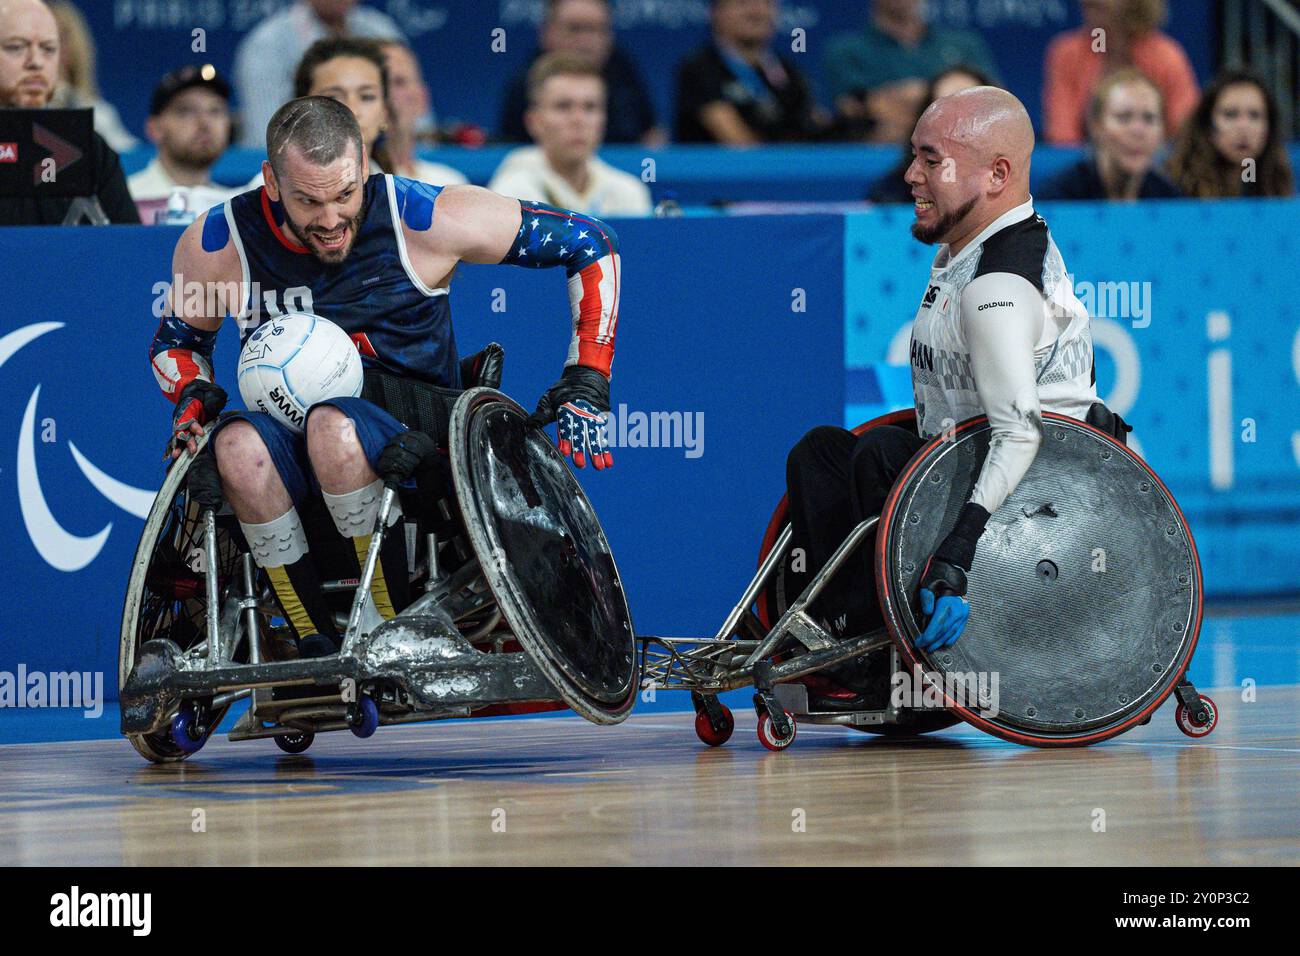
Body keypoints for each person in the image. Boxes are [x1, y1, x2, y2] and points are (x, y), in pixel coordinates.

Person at [151, 96, 622, 657]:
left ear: (364, 165)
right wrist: (190, 395)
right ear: (271, 181)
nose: (330, 220)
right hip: (288, 435)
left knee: (333, 427)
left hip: (416, 433)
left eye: (344, 195)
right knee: (235, 445)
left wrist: (588, 377)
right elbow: (177, 344)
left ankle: (382, 625)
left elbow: (590, 242)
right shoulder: (220, 242)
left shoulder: (421, 217)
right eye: (308, 201)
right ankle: (311, 638)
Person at [785, 87, 1101, 709]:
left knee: (880, 456)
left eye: (931, 160)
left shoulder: (998, 288)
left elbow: (1021, 434)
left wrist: (957, 552)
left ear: (997, 175)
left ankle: (878, 660)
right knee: (820, 452)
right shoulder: (965, 248)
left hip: (1041, 498)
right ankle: (839, 633)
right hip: (964, 459)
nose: (910, 175)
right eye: (914, 156)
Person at [0, 0, 137, 225]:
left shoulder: (88, 147)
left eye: (48, 49)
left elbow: (129, 241)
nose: (36, 62)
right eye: (16, 47)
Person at [489, 53, 651, 217]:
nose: (578, 120)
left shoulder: (629, 193)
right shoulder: (509, 195)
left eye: (590, 107)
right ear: (534, 121)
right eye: (563, 106)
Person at [232, 0, 404, 148]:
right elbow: (265, 138)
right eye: (333, 98)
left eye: (366, 96)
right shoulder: (268, 43)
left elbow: (413, 121)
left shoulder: (379, 29)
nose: (352, 110)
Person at [823, 0, 999, 143]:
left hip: (961, 158)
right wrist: (944, 96)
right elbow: (855, 112)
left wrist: (902, 100)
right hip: (878, 160)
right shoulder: (846, 51)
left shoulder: (965, 45)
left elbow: (995, 105)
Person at [498, 0, 662, 146]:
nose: (585, 40)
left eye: (596, 29)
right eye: (575, 29)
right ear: (547, 32)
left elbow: (650, 136)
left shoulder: (625, 73)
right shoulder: (525, 82)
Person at [1043, 0, 1198, 146]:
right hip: (1083, 161)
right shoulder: (1067, 53)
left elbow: (1187, 132)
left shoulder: (1166, 56)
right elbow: (1062, 136)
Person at [674, 0, 825, 145]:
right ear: (716, 12)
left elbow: (813, 129)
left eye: (766, 2)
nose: (757, 12)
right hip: (728, 164)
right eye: (743, 2)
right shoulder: (699, 69)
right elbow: (740, 144)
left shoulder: (790, 72)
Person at [1038, 69, 1181, 201]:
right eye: (1124, 117)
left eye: (1149, 118)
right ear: (1096, 126)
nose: (1138, 131)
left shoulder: (1170, 200)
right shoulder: (1056, 199)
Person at [129, 65, 240, 223]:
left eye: (215, 111)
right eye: (186, 111)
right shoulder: (126, 200)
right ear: (154, 128)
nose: (205, 123)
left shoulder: (236, 208)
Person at [867, 64, 992, 203]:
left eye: (969, 110)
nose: (958, 123)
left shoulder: (1008, 184)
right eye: (945, 112)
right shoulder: (896, 190)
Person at [1165, 70, 1294, 199]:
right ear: (1207, 124)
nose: (1243, 127)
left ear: (1269, 127)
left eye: (1254, 115)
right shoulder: (1173, 185)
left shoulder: (1276, 183)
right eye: (1231, 114)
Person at [45, 0, 137, 152]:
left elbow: (131, 156)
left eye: (61, 37)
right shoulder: (11, 113)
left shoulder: (98, 114)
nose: (52, 47)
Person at [379, 41, 466, 186]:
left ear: (422, 98)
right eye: (380, 83)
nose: (386, 94)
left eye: (399, 82)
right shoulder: (351, 184)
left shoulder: (450, 183)